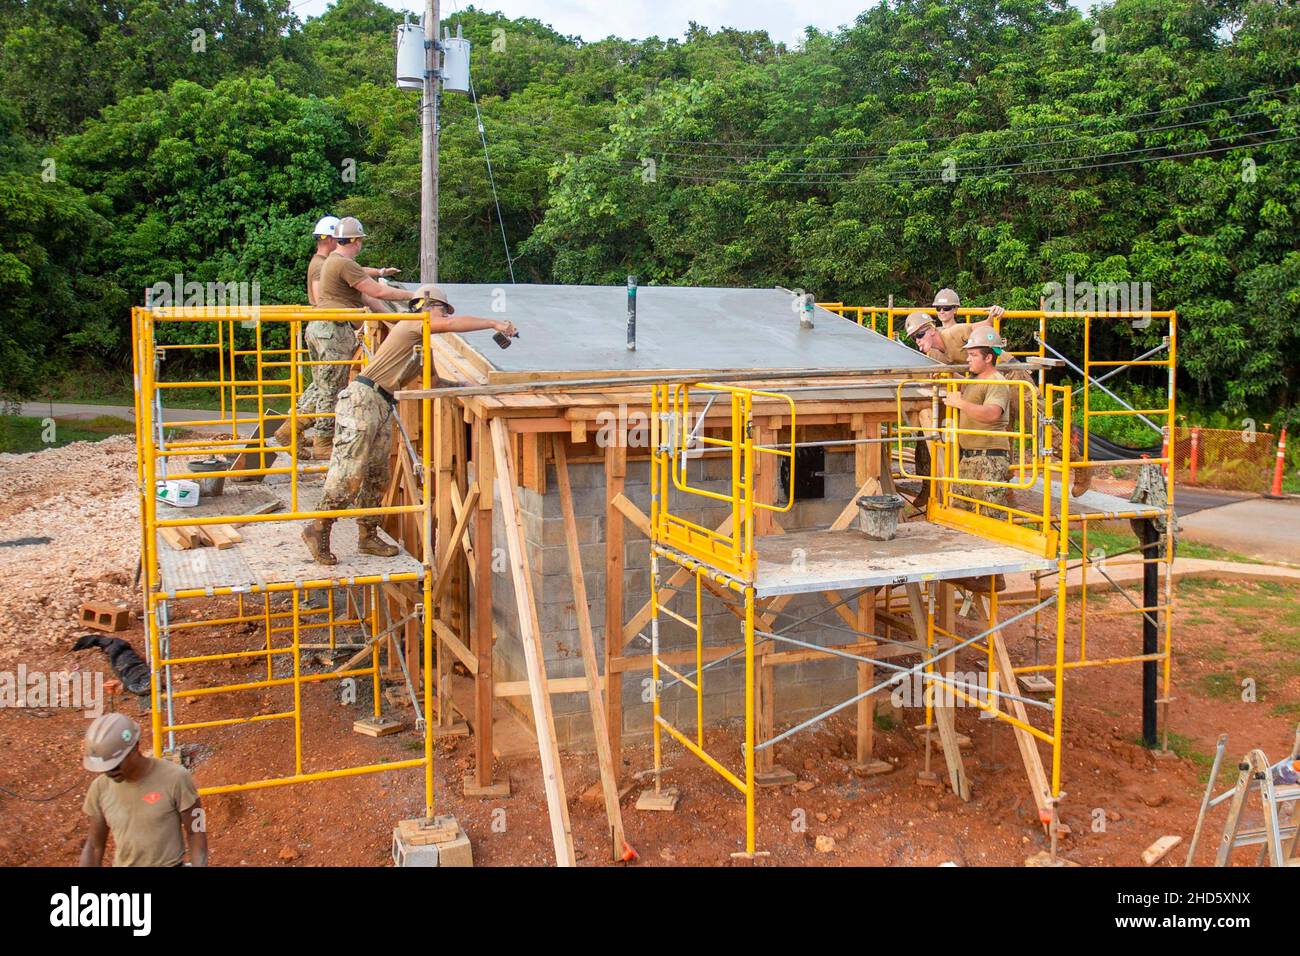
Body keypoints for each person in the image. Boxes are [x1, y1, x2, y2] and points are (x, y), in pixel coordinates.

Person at [302, 287, 518, 564]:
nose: (444, 317)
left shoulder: (419, 345)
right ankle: (318, 528)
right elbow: (450, 324)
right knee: (349, 473)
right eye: (442, 310)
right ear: (428, 306)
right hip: (362, 399)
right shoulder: (412, 324)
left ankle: (367, 535)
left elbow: (435, 384)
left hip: (380, 403)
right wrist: (494, 322)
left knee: (377, 475)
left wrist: (464, 385)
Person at [279, 216, 408, 460]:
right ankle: (323, 442)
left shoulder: (333, 261)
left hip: (321, 329)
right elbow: (378, 291)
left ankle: (290, 428)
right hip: (332, 332)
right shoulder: (342, 264)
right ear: (356, 241)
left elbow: (369, 299)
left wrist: (395, 322)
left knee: (322, 385)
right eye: (361, 241)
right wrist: (415, 295)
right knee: (331, 389)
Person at [79, 713, 207, 867]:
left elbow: (196, 833)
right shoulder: (100, 788)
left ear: (135, 747)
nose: (110, 772)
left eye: (115, 764)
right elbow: (94, 846)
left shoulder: (176, 778)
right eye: (105, 768)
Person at [941, 327, 1016, 517]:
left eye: (973, 355)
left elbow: (992, 413)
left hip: (989, 459)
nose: (968, 359)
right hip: (969, 458)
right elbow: (970, 388)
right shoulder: (975, 379)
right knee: (961, 514)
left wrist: (959, 403)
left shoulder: (996, 381)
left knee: (990, 515)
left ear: (988, 357)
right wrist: (946, 376)